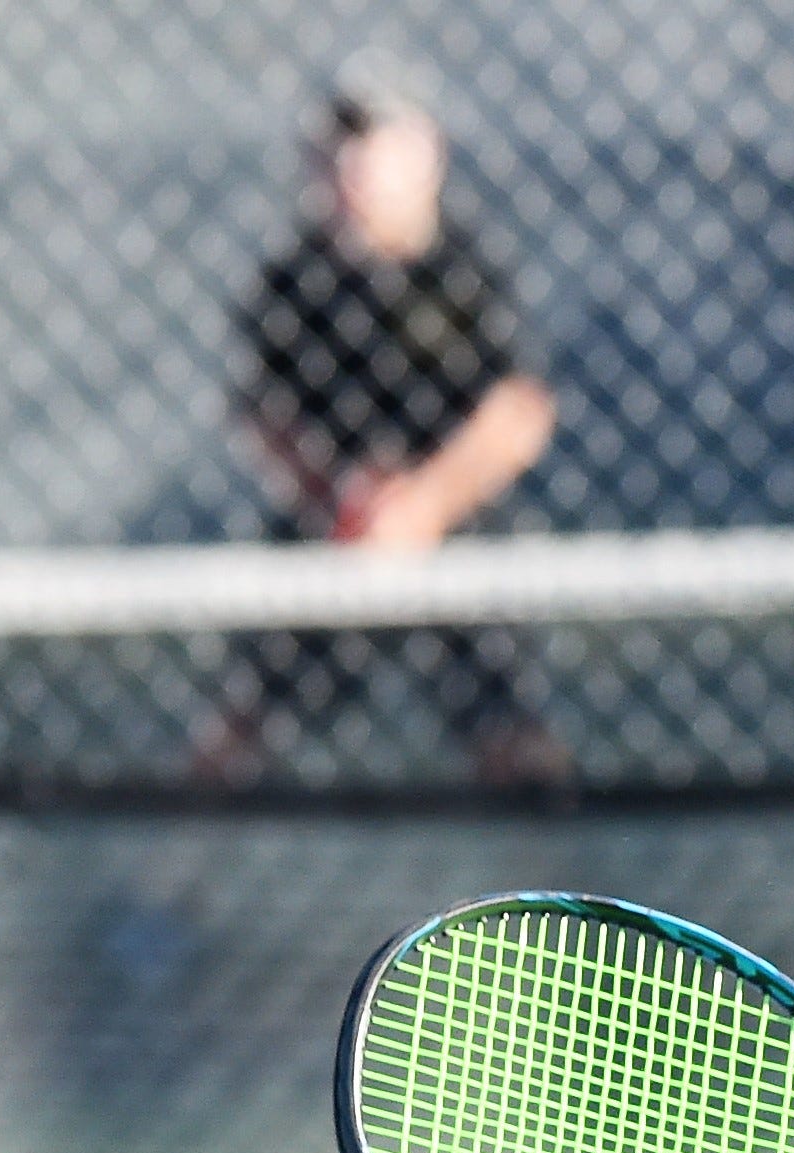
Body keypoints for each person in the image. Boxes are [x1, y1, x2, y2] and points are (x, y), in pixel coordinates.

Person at [194, 57, 561, 789]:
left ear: (425, 154)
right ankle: (170, 890)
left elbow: (517, 416)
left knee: (514, 747)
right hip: (329, 536)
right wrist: (341, 503)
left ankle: (553, 894)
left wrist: (421, 508)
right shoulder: (293, 283)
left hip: (457, 538)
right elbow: (264, 415)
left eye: (374, 146)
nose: (353, 167)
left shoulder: (467, 275)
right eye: (338, 150)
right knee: (233, 739)